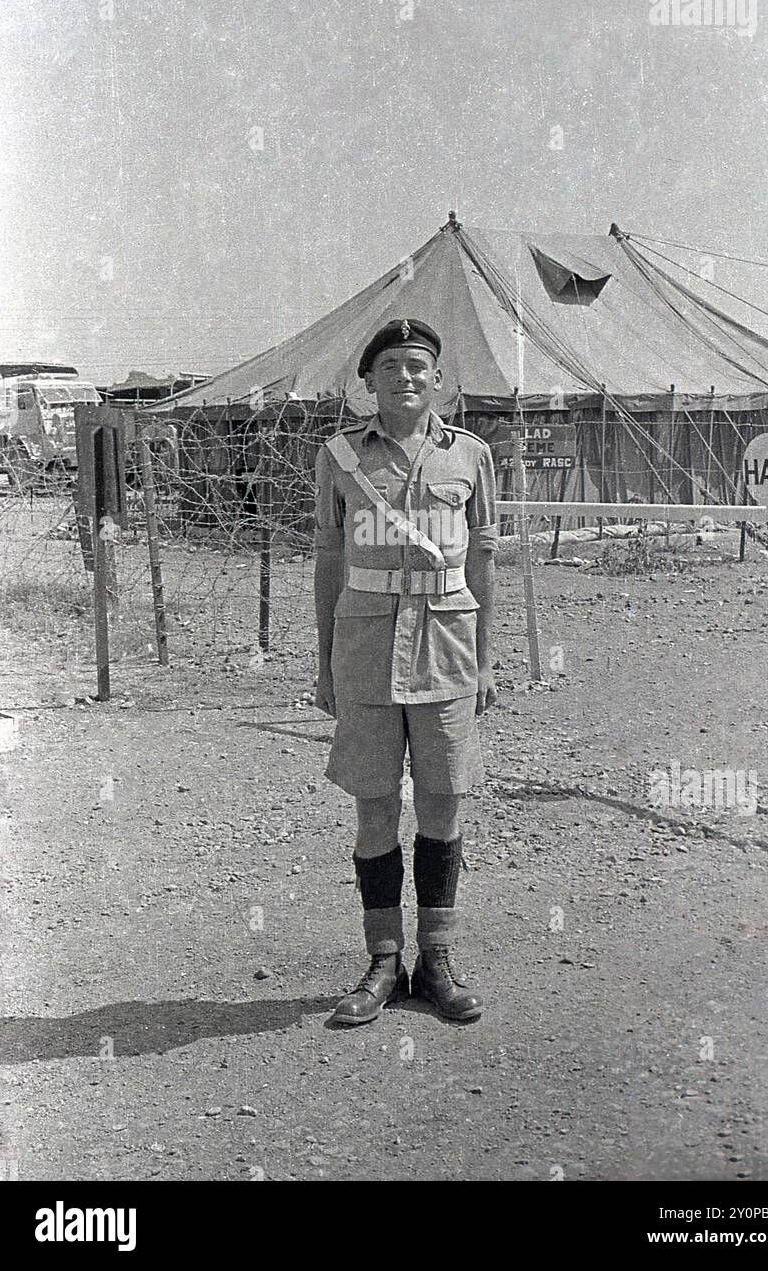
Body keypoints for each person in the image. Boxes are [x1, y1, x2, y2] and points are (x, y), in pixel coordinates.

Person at [313, 318, 498, 1025]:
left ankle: (438, 959)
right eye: (389, 366)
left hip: (448, 650)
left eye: (419, 365)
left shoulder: (471, 456)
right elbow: (329, 560)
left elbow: (482, 563)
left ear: (438, 379)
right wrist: (324, 662)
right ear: (369, 382)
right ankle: (383, 960)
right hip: (363, 651)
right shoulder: (337, 458)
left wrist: (486, 660)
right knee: (373, 803)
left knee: (444, 799)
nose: (406, 377)